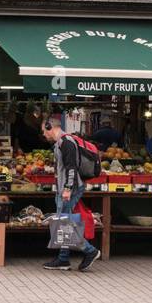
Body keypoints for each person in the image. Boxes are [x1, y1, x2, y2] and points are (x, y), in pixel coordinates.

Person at [41, 114, 100, 273]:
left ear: (49, 127)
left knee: (64, 224)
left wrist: (67, 189)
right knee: (63, 223)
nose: (43, 134)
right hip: (65, 188)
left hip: (70, 189)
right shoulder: (61, 143)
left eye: (44, 131)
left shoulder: (67, 143)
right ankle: (63, 259)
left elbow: (71, 168)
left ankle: (90, 251)